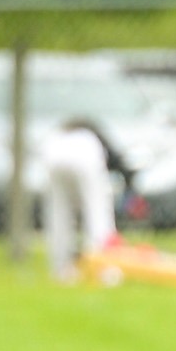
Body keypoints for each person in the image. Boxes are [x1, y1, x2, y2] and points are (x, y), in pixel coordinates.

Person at [42, 119, 129, 283]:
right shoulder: (96, 143)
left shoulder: (72, 133)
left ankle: (61, 270)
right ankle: (104, 269)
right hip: (83, 153)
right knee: (97, 210)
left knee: (59, 212)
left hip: (52, 149)